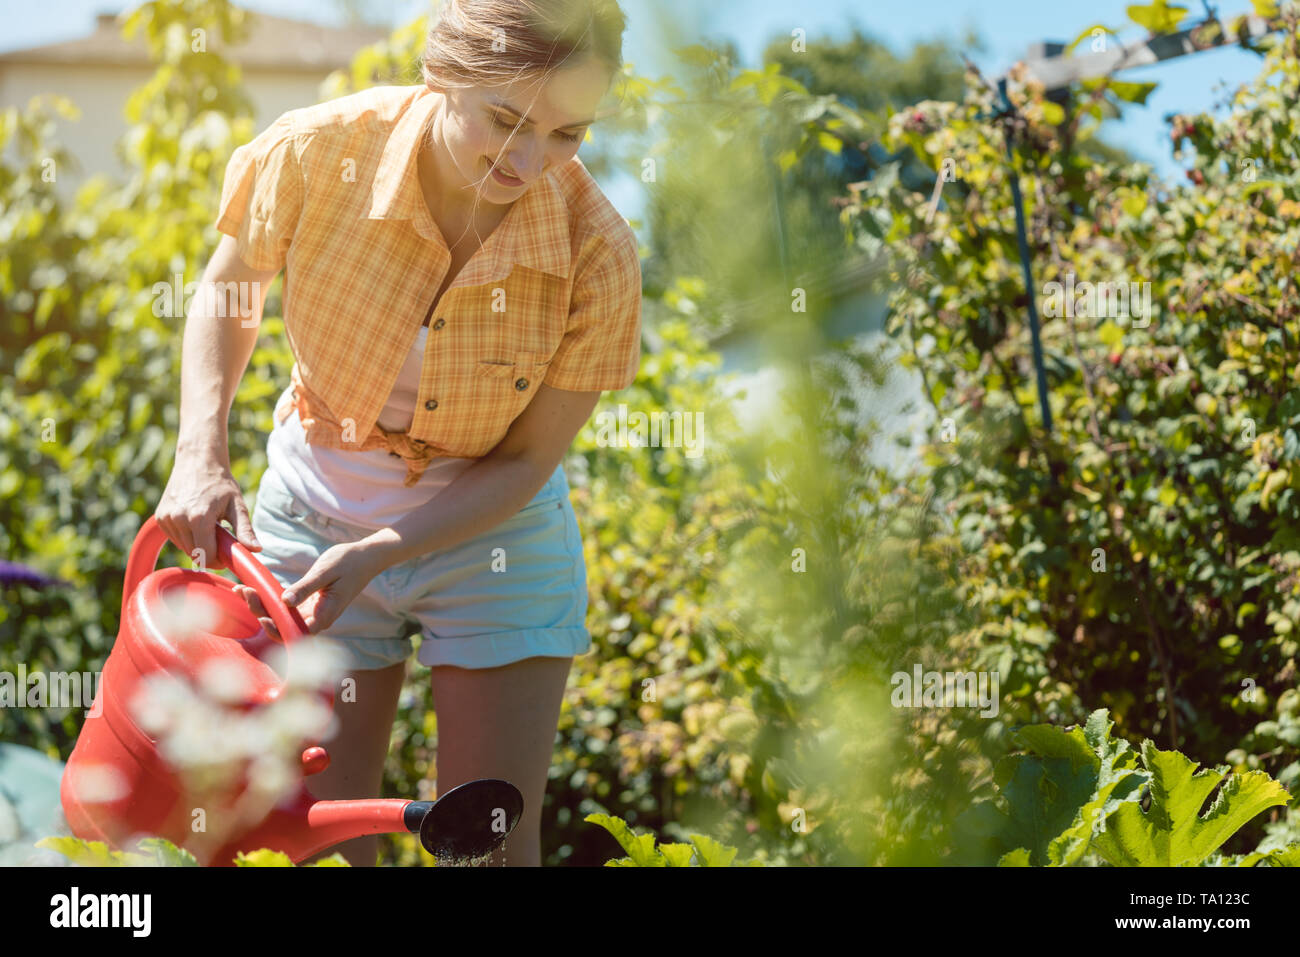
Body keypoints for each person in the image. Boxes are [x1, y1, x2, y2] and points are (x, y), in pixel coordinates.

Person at [154, 0, 641, 867]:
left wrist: (384, 546)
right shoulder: (318, 150)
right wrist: (200, 454)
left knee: (488, 842)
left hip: (495, 530)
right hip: (316, 511)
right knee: (321, 833)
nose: (530, 161)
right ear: (443, 72)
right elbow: (228, 298)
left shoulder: (595, 249)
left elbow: (529, 459)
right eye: (506, 120)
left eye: (569, 134)